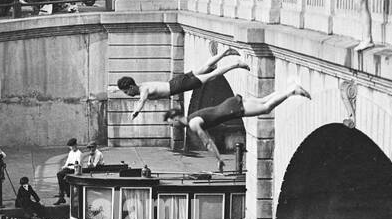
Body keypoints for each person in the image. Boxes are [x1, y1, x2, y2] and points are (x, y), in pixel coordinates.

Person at [166, 80, 311, 173]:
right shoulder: (192, 118)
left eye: (172, 123)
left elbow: (208, 142)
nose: (173, 126)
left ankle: (291, 92)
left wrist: (219, 159)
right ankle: (289, 88)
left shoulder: (193, 123)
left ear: (176, 118)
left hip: (233, 110)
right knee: (263, 100)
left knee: (266, 108)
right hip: (231, 103)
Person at [115, 46, 249, 121]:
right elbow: (132, 92)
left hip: (179, 86)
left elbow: (141, 101)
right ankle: (225, 52)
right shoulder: (142, 85)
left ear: (131, 87)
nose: (128, 94)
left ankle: (237, 64)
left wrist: (135, 112)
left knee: (212, 75)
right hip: (176, 81)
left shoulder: (144, 91)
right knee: (205, 67)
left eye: (127, 92)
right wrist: (114, 89)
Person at [55, 138, 82, 205]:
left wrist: (69, 167)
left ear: (76, 145)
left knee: (60, 175)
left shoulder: (79, 153)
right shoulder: (71, 152)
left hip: (74, 169)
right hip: (68, 168)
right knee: (61, 177)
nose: (71, 148)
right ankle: (63, 194)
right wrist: (65, 166)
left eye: (72, 146)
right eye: (70, 147)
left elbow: (78, 164)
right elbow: (67, 162)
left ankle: (62, 195)